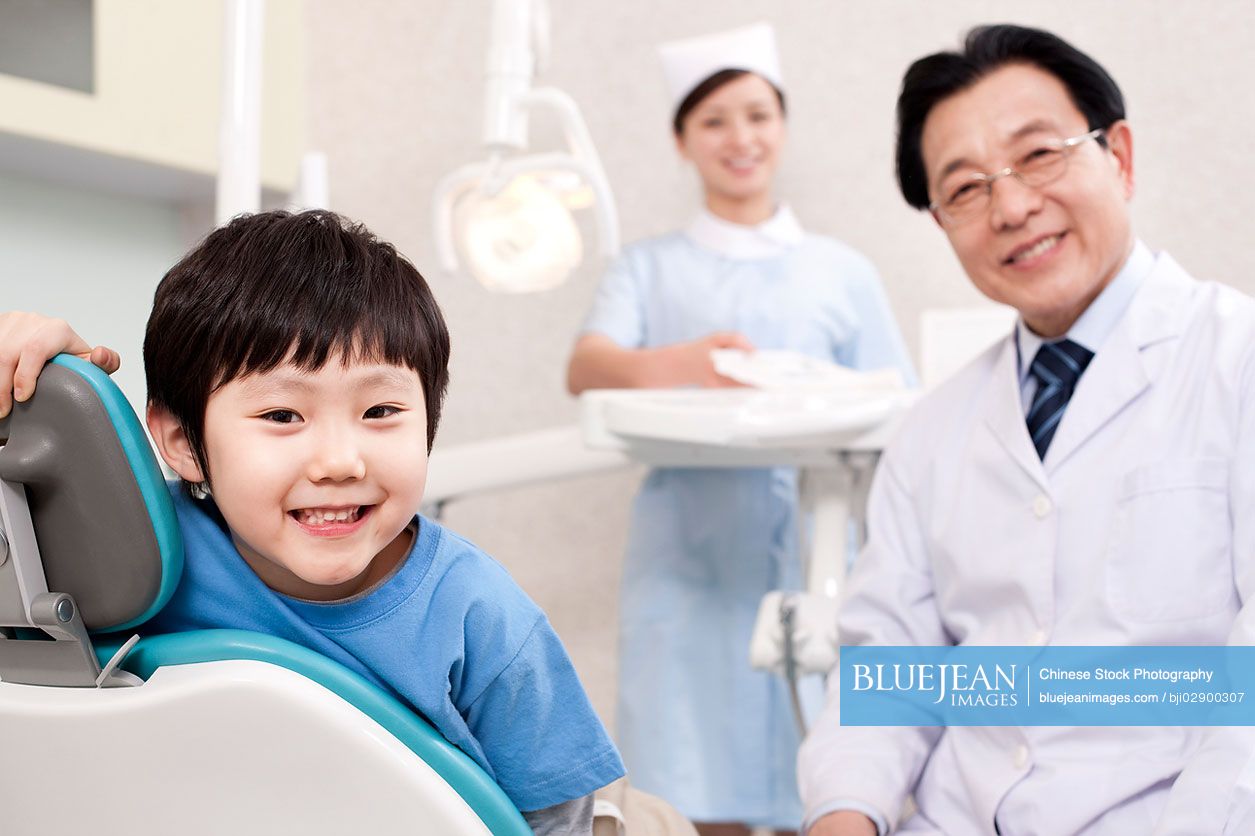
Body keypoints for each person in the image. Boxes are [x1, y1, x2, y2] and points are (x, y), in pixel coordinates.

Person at [0, 210, 625, 836]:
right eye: (281, 415)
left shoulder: (481, 619)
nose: (339, 461)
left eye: (380, 409)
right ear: (181, 441)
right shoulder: (123, 554)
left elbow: (553, 819)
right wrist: (23, 374)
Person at [799, 24, 1255, 836]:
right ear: (941, 223)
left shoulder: (1234, 362)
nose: (1010, 207)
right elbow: (888, 668)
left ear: (1118, 156)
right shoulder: (932, 433)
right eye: (965, 188)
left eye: (1038, 155)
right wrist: (843, 815)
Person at [566, 23, 915, 836]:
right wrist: (683, 362)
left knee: (827, 780)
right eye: (714, 119)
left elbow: (899, 406)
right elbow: (586, 366)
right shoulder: (648, 268)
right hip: (688, 562)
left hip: (821, 554)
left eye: (756, 115)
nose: (740, 138)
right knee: (689, 790)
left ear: (782, 127)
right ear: (681, 140)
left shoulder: (840, 270)